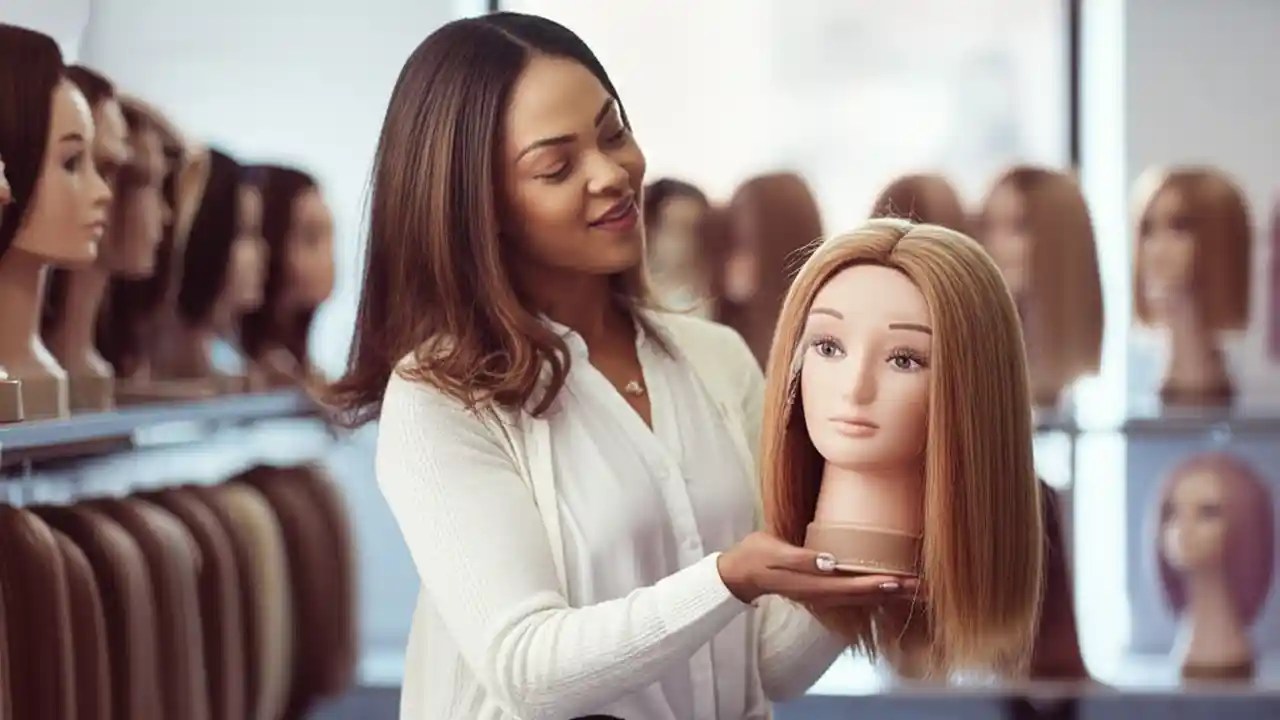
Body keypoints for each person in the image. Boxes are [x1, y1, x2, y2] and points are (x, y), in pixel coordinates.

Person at [327, 11, 918, 720]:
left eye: (614, 133)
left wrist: (875, 536)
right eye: (556, 165)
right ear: (478, 205)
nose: (612, 174)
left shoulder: (715, 358)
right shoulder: (442, 399)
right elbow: (526, 667)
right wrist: (728, 579)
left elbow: (764, 664)